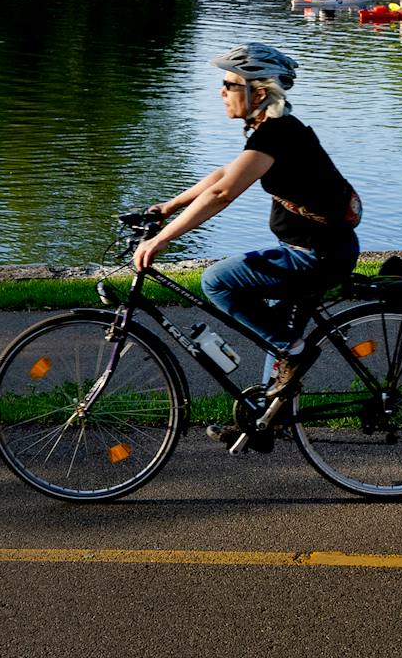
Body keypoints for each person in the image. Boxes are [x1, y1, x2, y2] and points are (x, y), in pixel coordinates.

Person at [134, 44, 360, 443]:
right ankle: (264, 420)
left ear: (259, 92)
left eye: (229, 84)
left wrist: (162, 240)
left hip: (313, 255)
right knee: (281, 332)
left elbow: (223, 195)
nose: (221, 92)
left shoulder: (277, 134)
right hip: (324, 249)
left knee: (218, 281)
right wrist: (168, 207)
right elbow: (224, 175)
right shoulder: (273, 132)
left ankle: (293, 352)